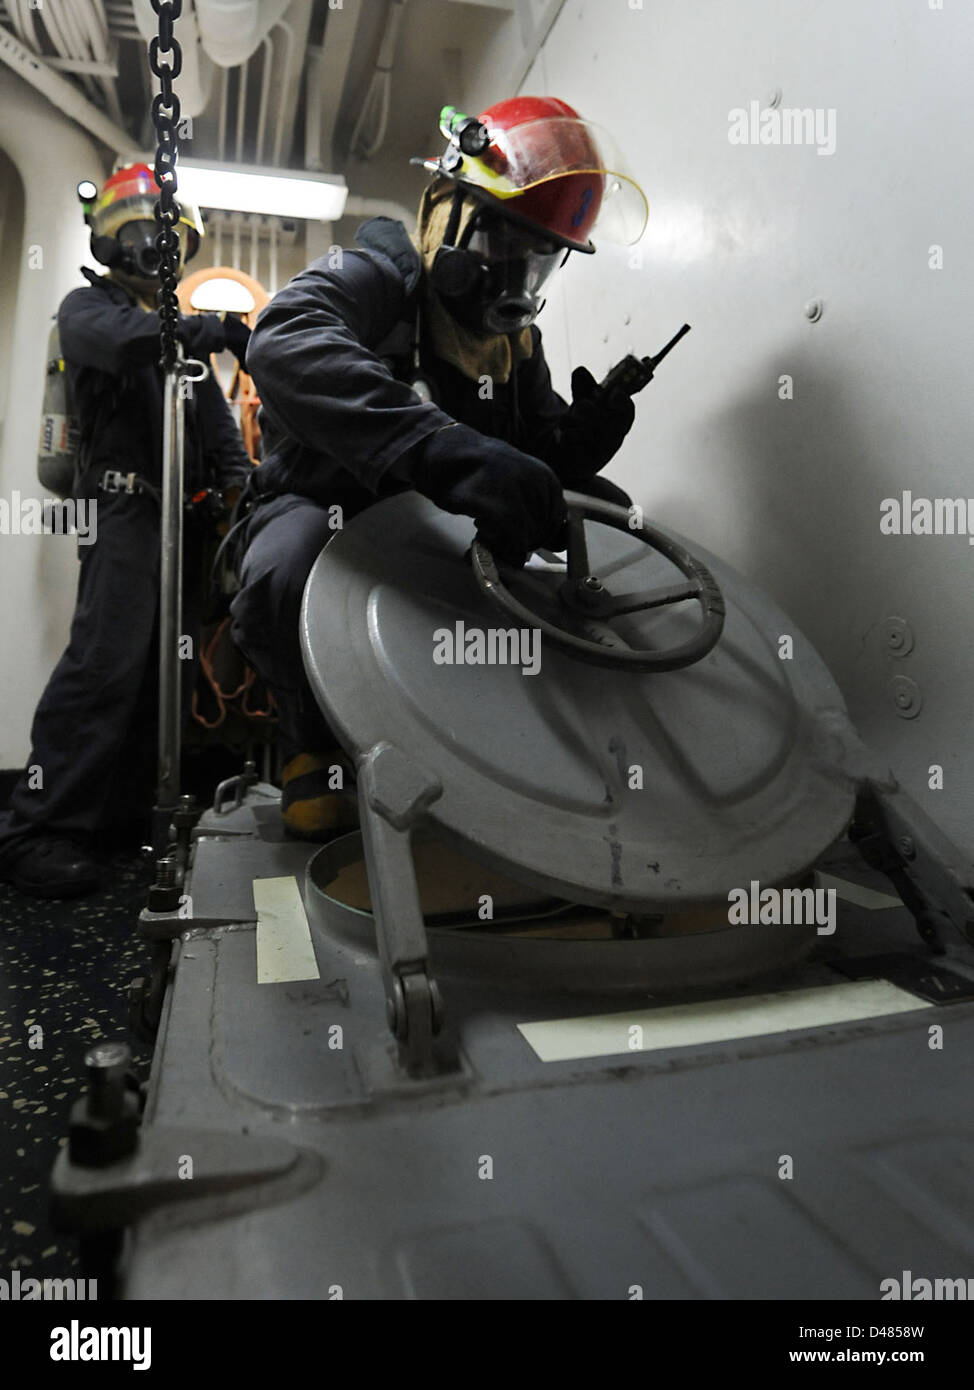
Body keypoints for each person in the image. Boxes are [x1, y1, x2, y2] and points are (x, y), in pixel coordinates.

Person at [231, 96, 649, 838]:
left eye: (538, 258)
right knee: (284, 562)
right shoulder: (376, 277)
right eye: (498, 243)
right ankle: (312, 746)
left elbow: (527, 465)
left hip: (429, 527)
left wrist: (581, 438)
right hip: (329, 517)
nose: (513, 278)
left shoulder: (513, 347)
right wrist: (442, 452)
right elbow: (284, 339)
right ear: (445, 212)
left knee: (602, 519)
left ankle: (514, 738)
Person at [0, 163, 253, 898]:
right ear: (113, 239)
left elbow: (221, 437)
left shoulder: (179, 338)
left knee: (160, 675)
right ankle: (32, 832)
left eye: (169, 237)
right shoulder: (89, 309)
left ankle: (114, 824)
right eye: (145, 232)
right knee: (104, 664)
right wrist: (211, 327)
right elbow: (122, 344)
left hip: (180, 523)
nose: (157, 248)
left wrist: (240, 495)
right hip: (119, 513)